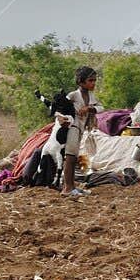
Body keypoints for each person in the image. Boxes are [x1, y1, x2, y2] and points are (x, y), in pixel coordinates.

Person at [58, 66, 99, 197]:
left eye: (94, 80)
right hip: (73, 127)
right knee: (70, 157)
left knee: (74, 157)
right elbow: (59, 108)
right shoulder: (74, 95)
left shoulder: (91, 96)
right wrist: (61, 119)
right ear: (81, 81)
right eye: (90, 80)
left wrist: (89, 109)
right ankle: (68, 188)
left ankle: (72, 186)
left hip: (81, 128)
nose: (93, 83)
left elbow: (101, 107)